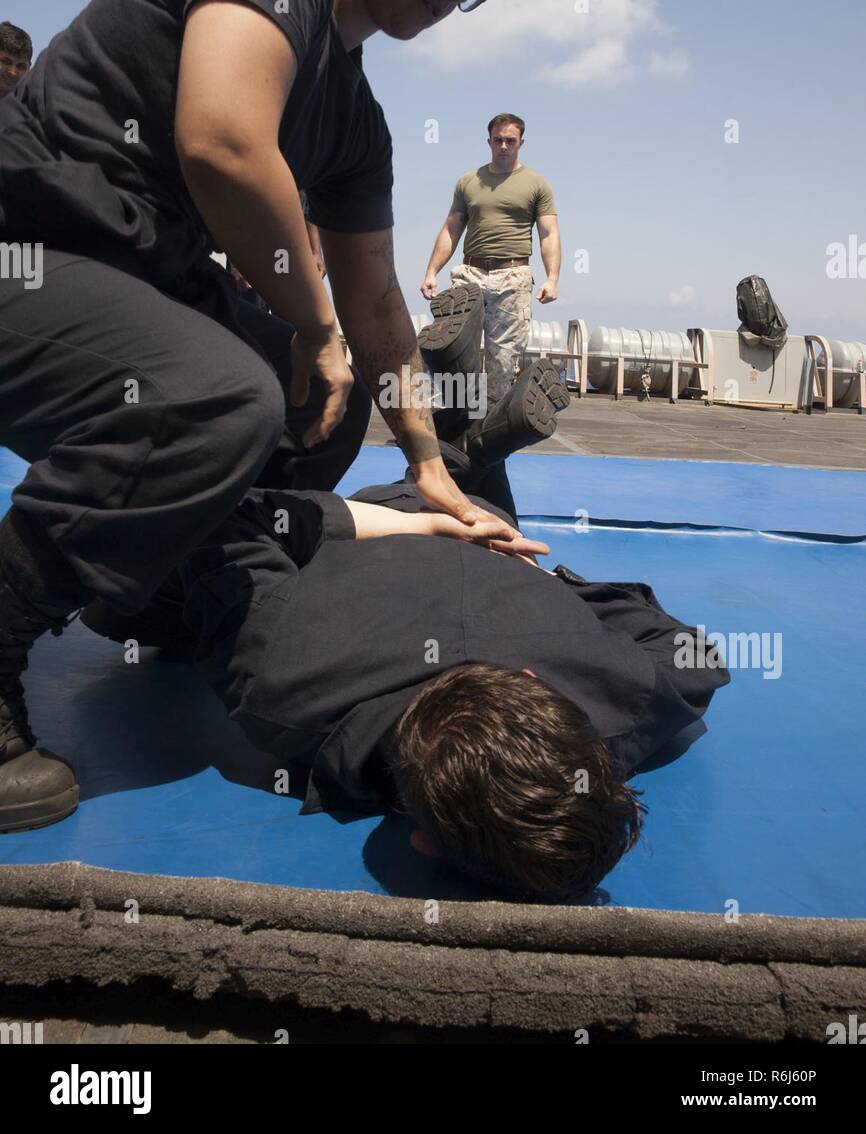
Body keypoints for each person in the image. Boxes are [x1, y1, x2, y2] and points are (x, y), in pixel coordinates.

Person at [0, 0, 525, 829]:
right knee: (225, 393)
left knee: (315, 415)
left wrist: (427, 465)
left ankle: (147, 585)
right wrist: (311, 326)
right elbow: (224, 141)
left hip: (126, 288)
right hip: (25, 246)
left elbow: (378, 305)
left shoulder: (355, 122)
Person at [81, 356, 728, 903]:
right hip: (380, 524)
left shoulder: (625, 697)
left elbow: (686, 648)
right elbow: (224, 519)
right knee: (131, 602)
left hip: (469, 528)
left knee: (122, 610)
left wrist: (554, 584)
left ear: (534, 681)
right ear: (423, 837)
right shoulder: (286, 683)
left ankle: (460, 453)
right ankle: (456, 453)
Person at [421, 114, 562, 402]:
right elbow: (451, 229)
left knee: (502, 360)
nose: (504, 146)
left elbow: (549, 234)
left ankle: (488, 427)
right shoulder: (468, 182)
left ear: (521, 142)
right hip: (470, 272)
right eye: (498, 140)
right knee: (453, 346)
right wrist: (431, 271)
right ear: (489, 142)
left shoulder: (537, 184)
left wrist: (552, 278)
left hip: (513, 277)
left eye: (510, 140)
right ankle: (454, 415)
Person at [0, 23, 32, 99]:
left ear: (29, 68)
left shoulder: (35, 108)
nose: (13, 72)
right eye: (6, 62)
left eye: (21, 67)